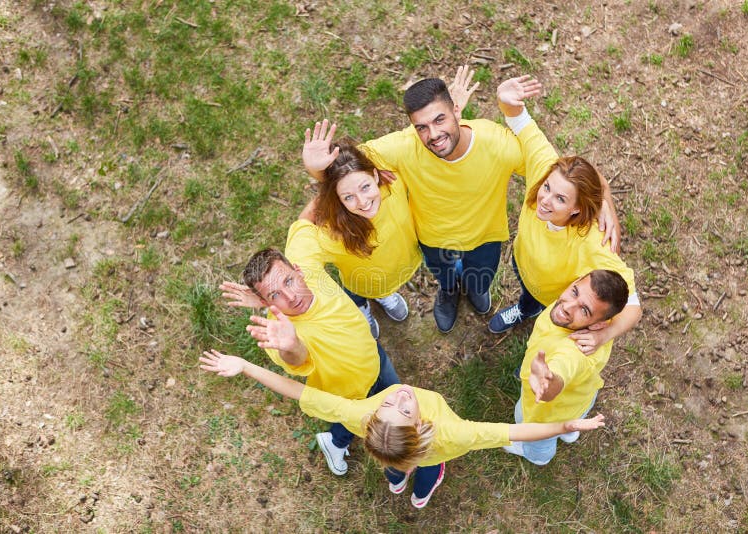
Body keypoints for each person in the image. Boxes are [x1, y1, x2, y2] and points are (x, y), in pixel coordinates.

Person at [358, 69, 620, 334]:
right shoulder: (404, 147)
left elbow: (561, 168)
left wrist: (603, 195)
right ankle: (449, 292)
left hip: (485, 237)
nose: (433, 135)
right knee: (445, 276)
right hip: (434, 237)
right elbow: (349, 162)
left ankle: (474, 289)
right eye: (422, 127)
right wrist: (369, 169)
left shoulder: (498, 144)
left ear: (456, 110)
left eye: (440, 120)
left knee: (480, 281)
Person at [199, 349, 606, 508]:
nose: (400, 395)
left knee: (397, 465)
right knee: (427, 470)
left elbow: (298, 391)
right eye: (400, 406)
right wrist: (567, 422)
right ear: (417, 426)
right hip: (431, 453)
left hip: (399, 452)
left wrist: (246, 366)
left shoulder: (360, 415)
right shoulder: (455, 434)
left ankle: (398, 481)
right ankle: (420, 491)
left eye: (392, 403)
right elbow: (514, 433)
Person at [298, 69, 479, 337]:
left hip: (401, 259)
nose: (362, 202)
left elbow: (414, 137)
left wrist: (450, 115)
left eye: (365, 187)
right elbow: (303, 233)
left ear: (375, 174)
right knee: (358, 290)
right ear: (336, 198)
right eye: (348, 197)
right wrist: (317, 174)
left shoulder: (392, 178)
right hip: (362, 278)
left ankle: (386, 293)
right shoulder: (333, 229)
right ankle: (365, 305)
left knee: (386, 280)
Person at [219, 230, 399, 477]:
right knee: (364, 424)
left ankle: (336, 440)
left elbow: (305, 220)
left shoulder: (308, 262)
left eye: (288, 281)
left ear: (297, 269)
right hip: (347, 395)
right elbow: (297, 358)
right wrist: (291, 345)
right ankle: (336, 443)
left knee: (393, 391)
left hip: (375, 356)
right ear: (266, 304)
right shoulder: (279, 333)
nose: (291, 297)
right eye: (274, 296)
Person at [487, 75, 641, 356]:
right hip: (522, 261)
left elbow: (634, 305)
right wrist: (504, 99)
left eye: (560, 199)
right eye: (547, 188)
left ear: (577, 208)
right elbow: (519, 120)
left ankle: (530, 310)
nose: (544, 200)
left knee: (538, 304)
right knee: (525, 289)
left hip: (553, 295)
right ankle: (523, 307)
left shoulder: (595, 243)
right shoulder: (547, 169)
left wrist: (605, 334)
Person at [503, 269, 626, 466]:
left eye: (584, 310)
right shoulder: (603, 325)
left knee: (535, 437)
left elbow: (562, 370)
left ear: (598, 325)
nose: (568, 307)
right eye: (574, 292)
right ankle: (570, 431)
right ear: (575, 281)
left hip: (546, 416)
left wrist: (547, 382)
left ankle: (535, 455)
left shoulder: (577, 350)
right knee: (575, 416)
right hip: (578, 401)